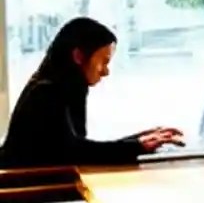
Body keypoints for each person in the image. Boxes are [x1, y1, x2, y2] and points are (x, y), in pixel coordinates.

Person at [0, 17, 183, 168]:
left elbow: (76, 148)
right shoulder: (46, 92)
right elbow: (73, 153)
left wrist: (140, 140)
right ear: (78, 56)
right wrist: (137, 145)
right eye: (103, 61)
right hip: (24, 193)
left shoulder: (64, 87)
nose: (105, 71)